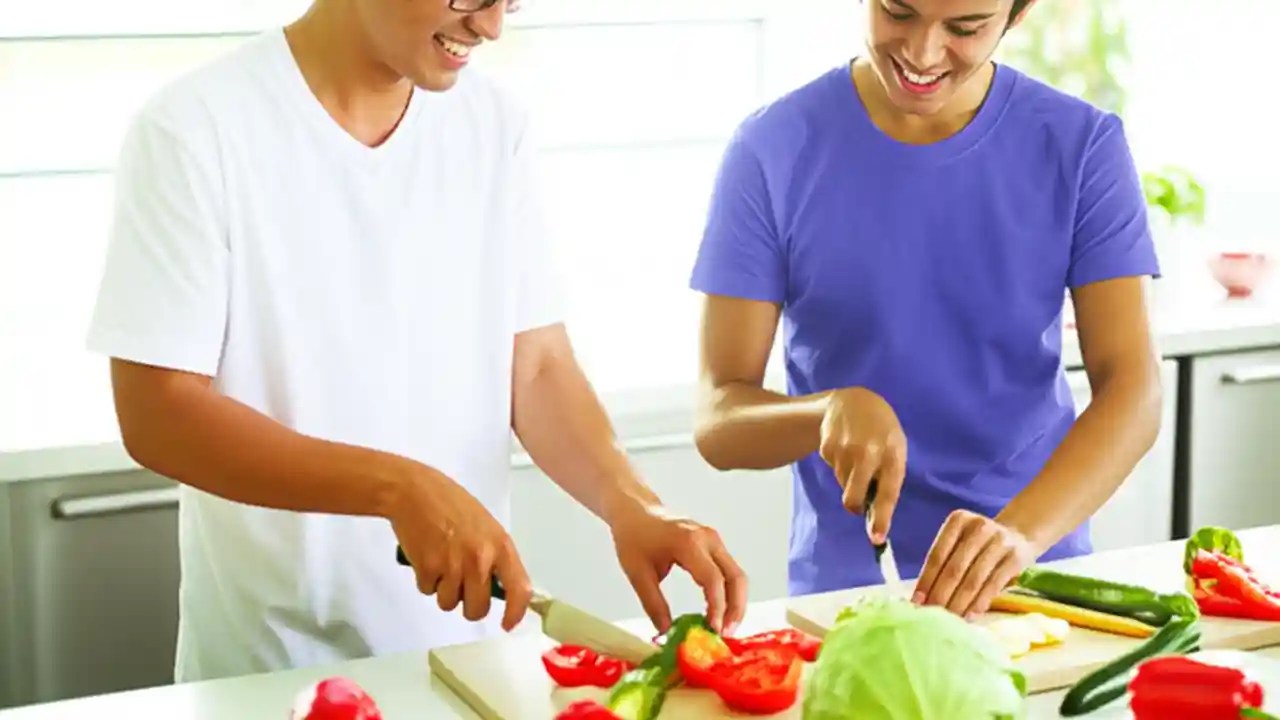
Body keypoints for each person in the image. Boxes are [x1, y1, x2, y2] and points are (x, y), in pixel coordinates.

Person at [86, 0, 747, 683]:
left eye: (509, 1)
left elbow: (537, 365)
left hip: (468, 661)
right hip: (272, 671)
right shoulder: (195, 130)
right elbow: (158, 414)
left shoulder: (493, 127)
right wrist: (397, 488)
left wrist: (632, 503)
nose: (490, 27)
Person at [688, 0, 1163, 620]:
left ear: (1017, 15)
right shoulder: (773, 147)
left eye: (964, 28)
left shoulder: (1080, 145)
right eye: (897, 12)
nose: (921, 52)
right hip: (851, 595)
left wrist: (1018, 536)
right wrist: (827, 411)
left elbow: (1133, 388)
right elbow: (719, 418)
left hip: (1031, 578)